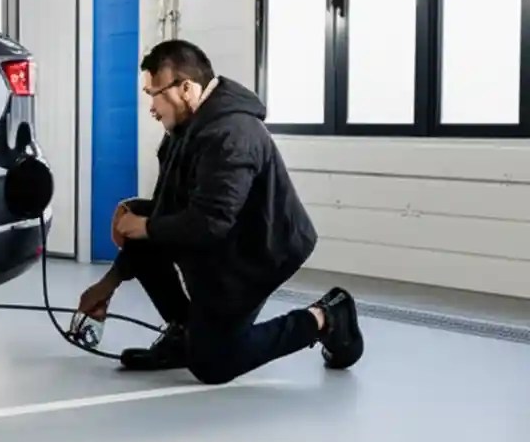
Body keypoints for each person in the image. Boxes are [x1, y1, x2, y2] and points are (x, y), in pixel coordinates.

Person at [77, 40, 363, 384]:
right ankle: (186, 333)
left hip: (259, 252)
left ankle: (326, 317)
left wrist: (146, 227)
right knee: (139, 219)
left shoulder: (233, 134)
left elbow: (211, 222)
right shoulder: (182, 131)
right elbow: (169, 212)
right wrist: (110, 282)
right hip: (223, 243)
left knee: (213, 364)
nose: (151, 107)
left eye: (154, 94)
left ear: (185, 88)